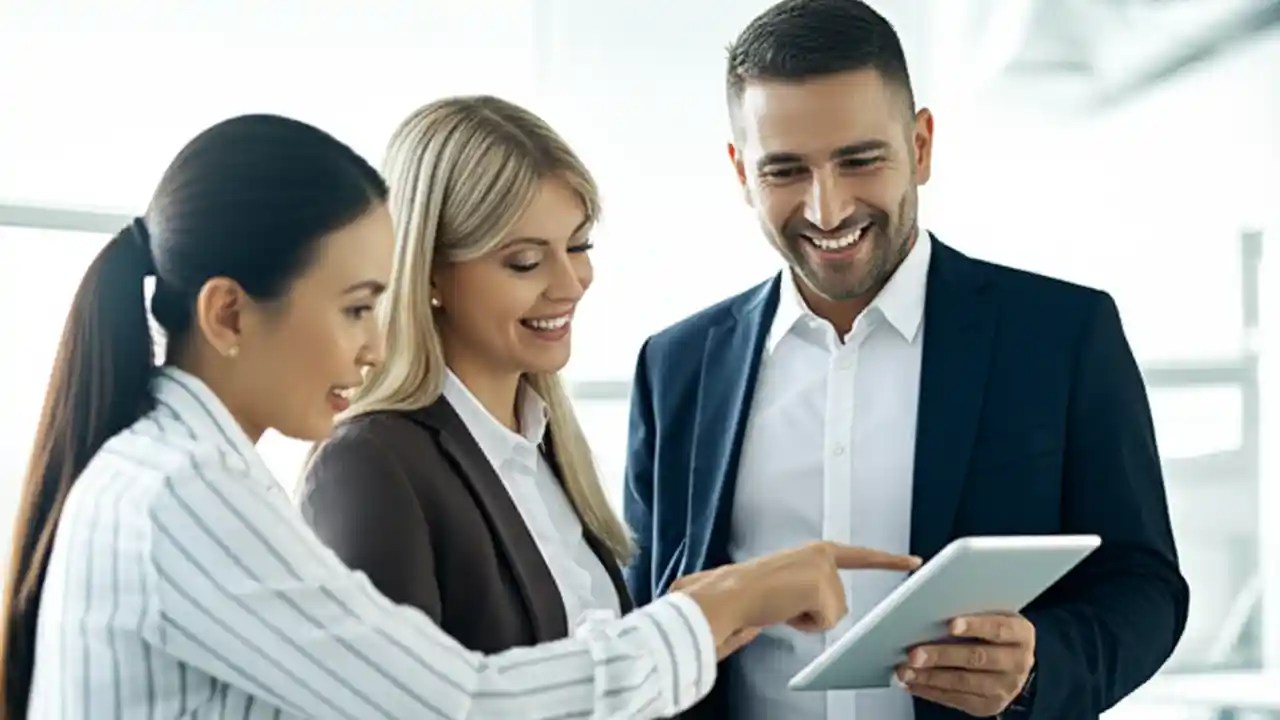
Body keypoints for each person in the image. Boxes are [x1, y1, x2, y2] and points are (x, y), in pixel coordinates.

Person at [0, 113, 920, 720]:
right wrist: (708, 610)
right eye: (356, 306)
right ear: (231, 315)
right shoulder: (182, 496)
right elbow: (456, 705)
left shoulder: (187, 480)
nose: (371, 343)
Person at [621, 1, 1190, 719]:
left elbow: (1143, 585)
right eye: (786, 171)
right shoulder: (676, 367)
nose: (826, 209)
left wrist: (1040, 663)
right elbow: (643, 612)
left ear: (920, 146)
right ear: (740, 172)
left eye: (859, 161)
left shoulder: (1062, 336)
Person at [298, 95, 917, 658]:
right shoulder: (369, 463)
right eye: (524, 261)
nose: (570, 284)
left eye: (579, 245)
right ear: (429, 274)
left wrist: (699, 622)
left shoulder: (545, 450)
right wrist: (683, 630)